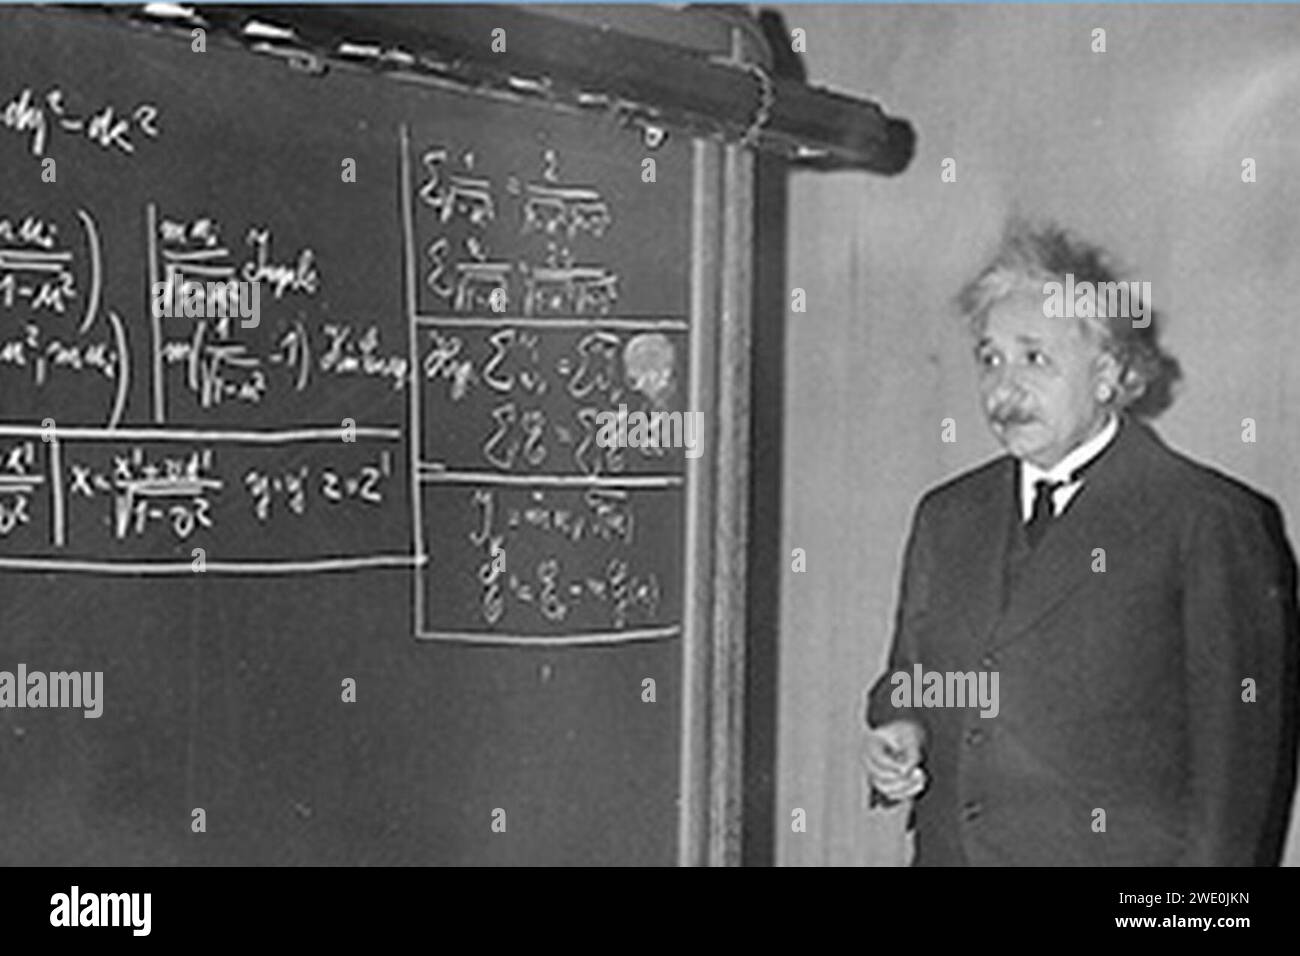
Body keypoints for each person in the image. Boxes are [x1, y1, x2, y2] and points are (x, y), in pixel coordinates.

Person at [863, 220, 1299, 865]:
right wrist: (902, 729)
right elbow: (915, 681)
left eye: (1034, 358)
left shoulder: (1207, 519)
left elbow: (1235, 777)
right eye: (990, 358)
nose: (1004, 389)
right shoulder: (948, 516)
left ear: (1108, 373)